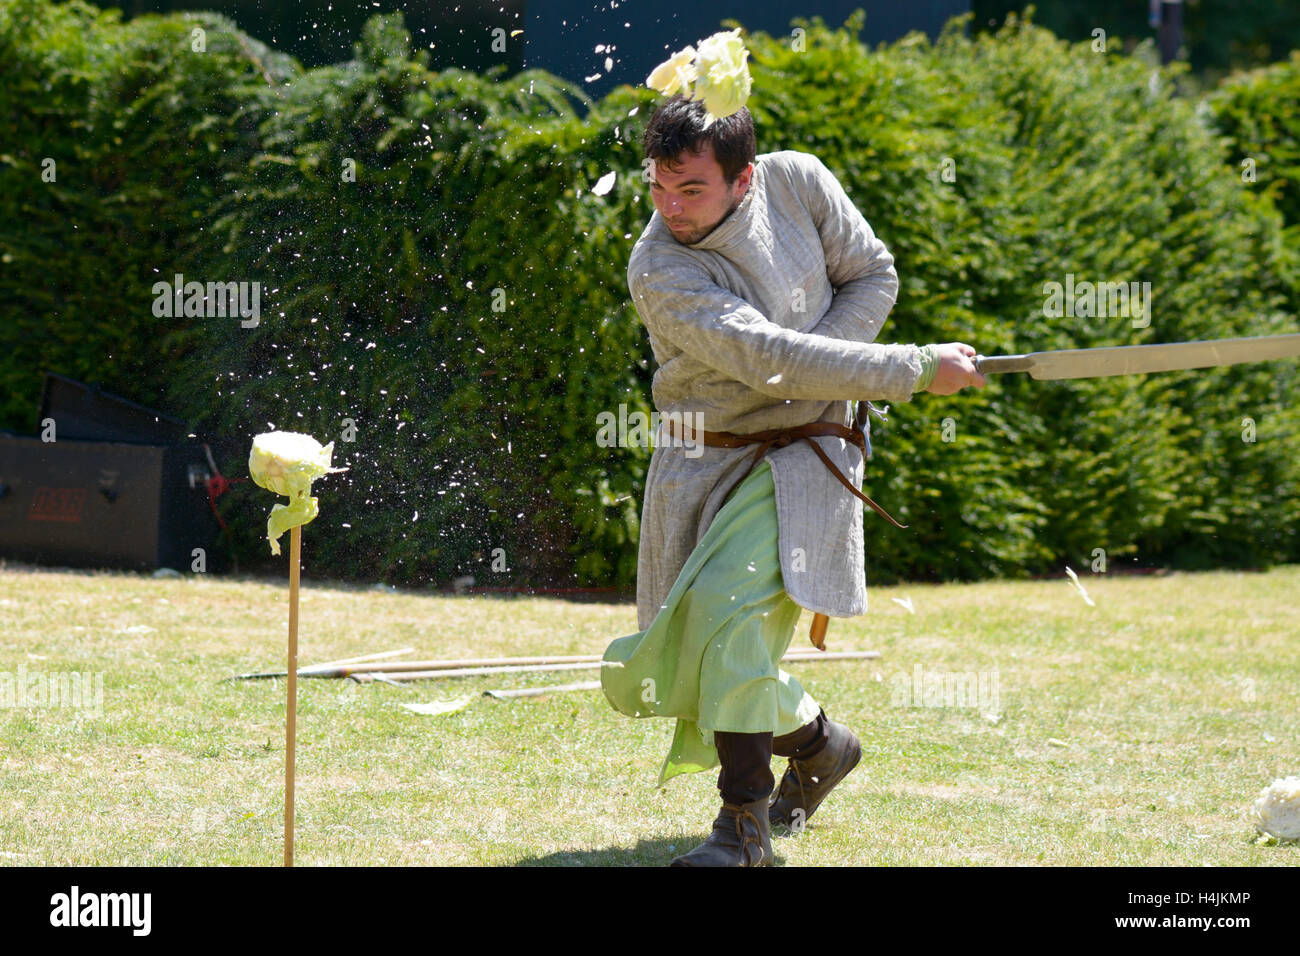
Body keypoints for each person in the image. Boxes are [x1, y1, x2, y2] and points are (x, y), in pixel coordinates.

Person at [600, 94, 986, 867]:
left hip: (808, 451)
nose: (670, 208)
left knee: (725, 620)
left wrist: (821, 378)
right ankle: (820, 743)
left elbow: (872, 276)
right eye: (657, 188)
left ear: (744, 179)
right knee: (697, 647)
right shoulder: (660, 267)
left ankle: (741, 829)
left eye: (692, 189)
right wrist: (910, 368)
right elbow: (770, 358)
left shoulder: (800, 182)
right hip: (703, 457)